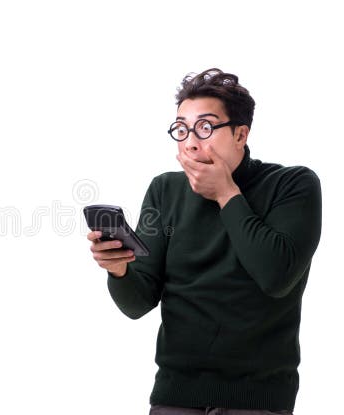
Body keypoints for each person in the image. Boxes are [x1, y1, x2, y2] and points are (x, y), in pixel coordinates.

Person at [87, 68, 321, 414]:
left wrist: (226, 193)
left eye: (206, 127)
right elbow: (137, 304)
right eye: (182, 129)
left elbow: (276, 276)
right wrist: (119, 271)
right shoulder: (165, 190)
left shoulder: (292, 185)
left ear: (241, 134)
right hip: (175, 397)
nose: (191, 141)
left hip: (258, 400)